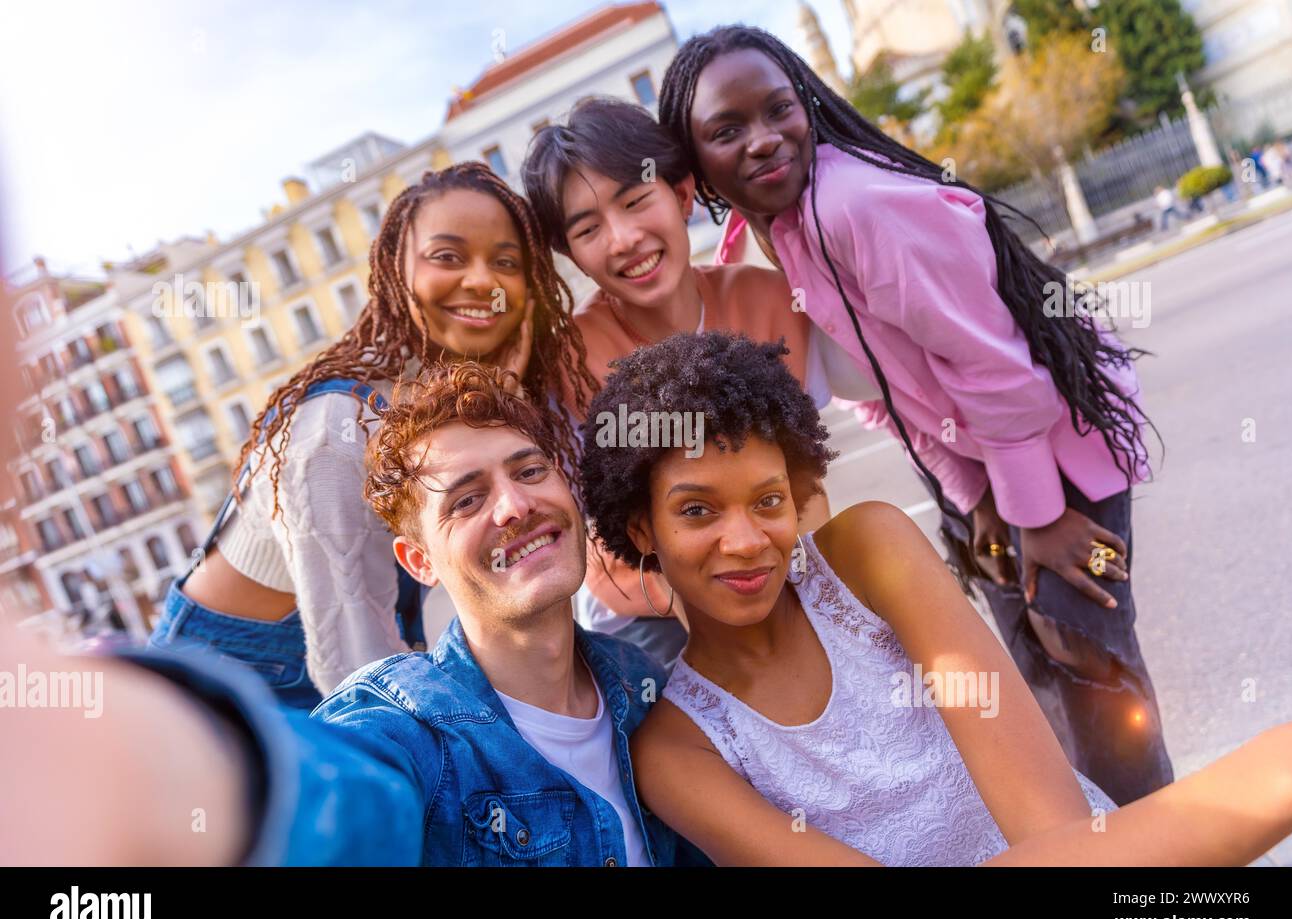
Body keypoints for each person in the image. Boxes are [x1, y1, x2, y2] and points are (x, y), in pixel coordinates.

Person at [657, 25, 1173, 805]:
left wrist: (1035, 513)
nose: (763, 141)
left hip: (1063, 466)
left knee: (1093, 656)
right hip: (989, 476)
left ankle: (1166, 861)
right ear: (696, 162)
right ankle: (1083, 840)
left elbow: (997, 373)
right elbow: (888, 389)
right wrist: (978, 500)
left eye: (778, 110)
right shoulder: (769, 234)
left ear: (809, 102)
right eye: (727, 131)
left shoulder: (859, 206)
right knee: (1034, 663)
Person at [579, 331, 1292, 866]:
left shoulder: (868, 553)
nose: (745, 540)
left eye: (768, 501)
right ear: (642, 525)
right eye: (698, 511)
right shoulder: (676, 747)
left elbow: (1054, 826)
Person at [7, 362, 691, 866]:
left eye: (530, 470)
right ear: (417, 562)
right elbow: (341, 795)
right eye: (465, 499)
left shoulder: (646, 686)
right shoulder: (408, 728)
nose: (514, 505)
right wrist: (168, 756)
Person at [148, 162, 599, 708]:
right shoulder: (335, 427)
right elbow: (354, 669)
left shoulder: (449, 395)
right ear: (394, 270)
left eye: (506, 262)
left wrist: (503, 402)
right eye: (448, 256)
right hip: (231, 695)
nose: (482, 281)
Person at [521, 96, 845, 667]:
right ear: (568, 251)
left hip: (769, 566)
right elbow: (601, 535)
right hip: (644, 602)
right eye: (588, 228)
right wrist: (702, 611)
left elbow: (804, 483)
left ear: (681, 194)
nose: (622, 240)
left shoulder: (770, 302)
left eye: (636, 200)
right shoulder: (568, 361)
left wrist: (815, 593)